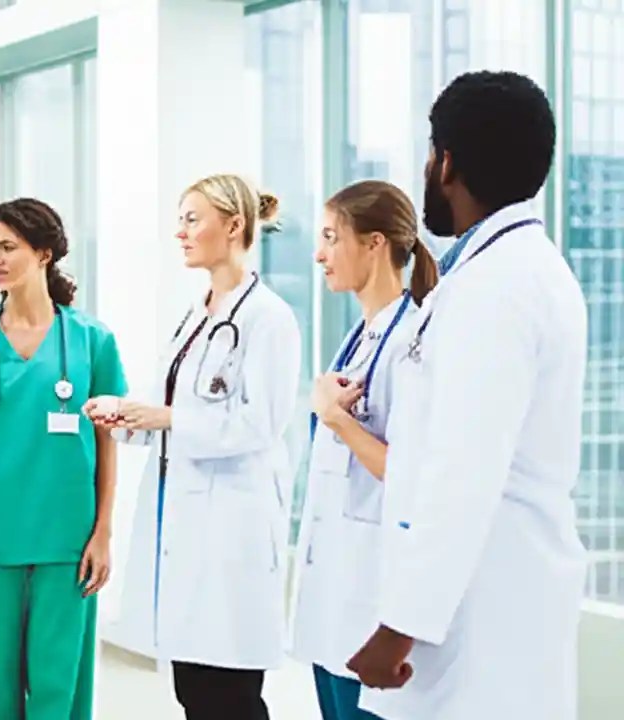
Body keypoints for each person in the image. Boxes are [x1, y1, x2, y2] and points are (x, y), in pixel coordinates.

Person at [346, 70, 588, 720]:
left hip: (484, 613)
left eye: (431, 152)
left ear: (446, 161)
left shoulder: (495, 288)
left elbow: (464, 470)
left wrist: (401, 623)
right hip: (495, 597)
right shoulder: (511, 272)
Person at [85, 174, 301, 720]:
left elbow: (260, 424)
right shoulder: (198, 313)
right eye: (179, 219)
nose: (179, 232)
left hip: (232, 532)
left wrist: (166, 417)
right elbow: (174, 408)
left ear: (233, 226)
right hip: (187, 529)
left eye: (191, 219)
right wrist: (126, 416)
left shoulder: (267, 317)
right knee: (194, 691)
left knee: (228, 698)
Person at [0, 197, 128, 719]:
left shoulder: (90, 340)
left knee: (59, 689)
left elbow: (106, 444)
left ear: (45, 252)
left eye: (8, 247)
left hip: (67, 541)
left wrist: (103, 532)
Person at [286, 180, 438, 720]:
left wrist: (334, 419)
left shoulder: (414, 341)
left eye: (331, 236)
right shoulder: (361, 335)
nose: (319, 253)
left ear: (375, 244)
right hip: (333, 589)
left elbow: (410, 475)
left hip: (370, 594)